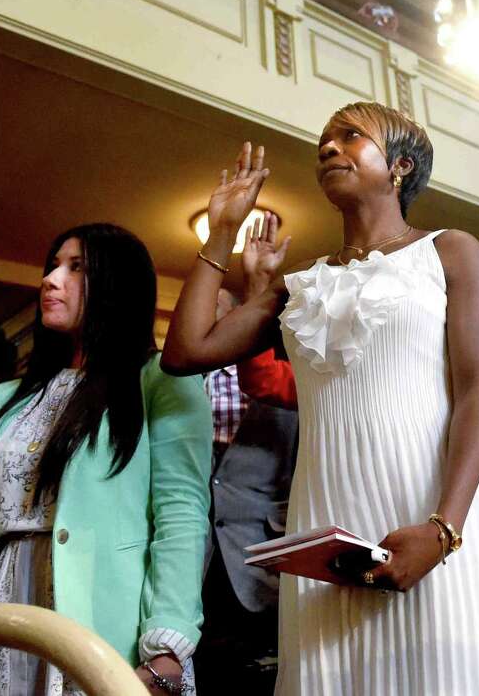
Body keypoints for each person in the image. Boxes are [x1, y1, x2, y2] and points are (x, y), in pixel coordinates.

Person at [161, 102, 479, 695]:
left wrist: (442, 530)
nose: (329, 148)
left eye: (350, 137)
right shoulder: (301, 284)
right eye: (323, 142)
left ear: (399, 166)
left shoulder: (450, 251)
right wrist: (222, 233)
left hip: (435, 515)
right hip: (330, 530)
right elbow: (184, 352)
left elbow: (476, 398)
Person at [0, 225, 212, 696]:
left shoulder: (158, 380)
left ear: (117, 284)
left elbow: (181, 514)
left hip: (108, 620)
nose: (50, 278)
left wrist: (166, 651)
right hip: (5, 608)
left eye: (76, 268)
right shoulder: (9, 398)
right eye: (52, 266)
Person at [195, 289, 298, 696]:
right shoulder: (178, 379)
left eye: (216, 312)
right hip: (193, 560)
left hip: (261, 558)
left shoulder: (284, 374)